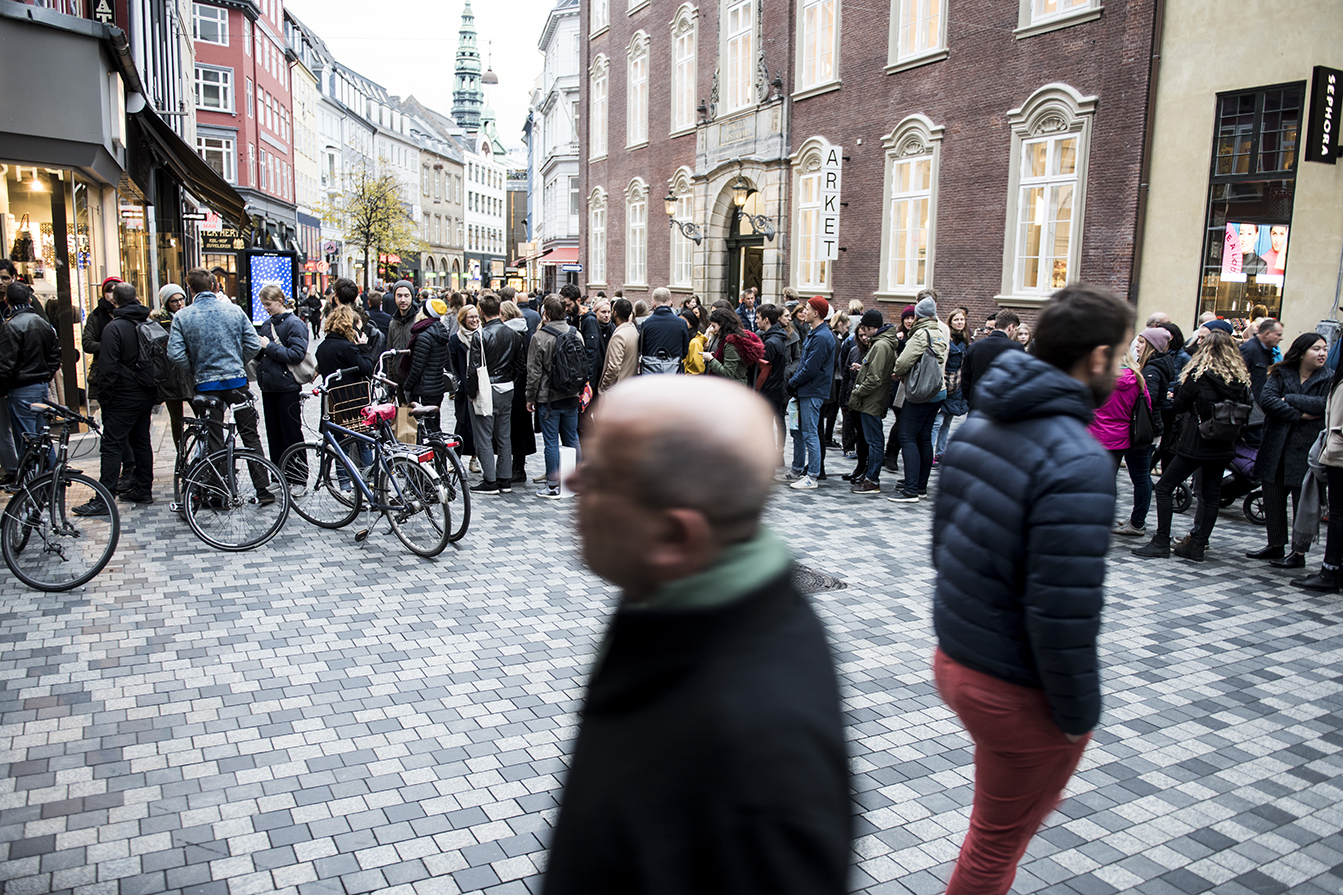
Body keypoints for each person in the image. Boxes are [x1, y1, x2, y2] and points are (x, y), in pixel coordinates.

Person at [544, 375, 851, 895]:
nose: (572, 480)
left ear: (673, 535)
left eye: (602, 473)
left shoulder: (755, 769)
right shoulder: (671, 588)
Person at [933, 283, 1134, 895]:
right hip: (1015, 688)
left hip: (958, 659)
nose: (1122, 368)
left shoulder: (975, 426)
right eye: (1120, 355)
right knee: (995, 846)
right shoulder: (1078, 458)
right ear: (1095, 358)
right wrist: (1077, 716)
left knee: (993, 831)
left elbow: (943, 548)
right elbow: (1063, 613)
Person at [1132, 330, 1253, 562]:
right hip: (1224, 443)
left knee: (1165, 487)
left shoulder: (1200, 376)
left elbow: (1178, 405)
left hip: (1196, 442)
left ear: (1205, 350)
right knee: (1210, 495)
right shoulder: (1239, 381)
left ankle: (1161, 540)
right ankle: (1197, 544)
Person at [168, 268, 273, 502]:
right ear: (215, 286)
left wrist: (196, 367)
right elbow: (253, 344)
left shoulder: (183, 316)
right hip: (236, 381)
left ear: (191, 290)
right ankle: (263, 489)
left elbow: (174, 353)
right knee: (249, 434)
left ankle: (218, 492)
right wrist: (238, 361)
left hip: (206, 385)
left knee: (213, 438)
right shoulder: (234, 311)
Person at [1246, 333, 1332, 568]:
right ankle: (1275, 545)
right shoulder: (1281, 372)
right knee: (1272, 499)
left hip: (1305, 449)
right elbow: (1268, 400)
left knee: (1302, 503)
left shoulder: (1329, 378)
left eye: (1325, 349)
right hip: (1275, 445)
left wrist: (1290, 398)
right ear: (1302, 352)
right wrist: (1300, 414)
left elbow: (1324, 405)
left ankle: (1298, 553)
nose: (1322, 353)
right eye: (1316, 349)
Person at [76, 282, 158, 512]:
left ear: (115, 301)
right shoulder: (147, 322)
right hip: (145, 392)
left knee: (111, 445)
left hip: (122, 395)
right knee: (142, 441)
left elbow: (108, 366)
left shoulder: (115, 327)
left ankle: (104, 498)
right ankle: (143, 489)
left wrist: (105, 396)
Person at [1089, 328, 1159, 536]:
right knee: (1127, 478)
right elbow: (1147, 406)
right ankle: (1127, 520)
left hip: (1098, 436)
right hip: (1124, 436)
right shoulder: (1137, 379)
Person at [887, 296, 948, 503]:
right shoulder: (940, 332)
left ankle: (911, 489)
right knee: (924, 437)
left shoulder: (921, 334)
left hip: (921, 393)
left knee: (907, 436)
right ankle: (921, 486)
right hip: (938, 391)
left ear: (920, 316)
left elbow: (904, 360)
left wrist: (897, 373)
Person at [0, 282, 60, 483]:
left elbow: (6, 364)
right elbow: (55, 355)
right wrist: (45, 376)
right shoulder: (42, 323)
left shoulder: (11, 326)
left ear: (7, 301)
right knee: (42, 437)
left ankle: (34, 484)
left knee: (27, 440)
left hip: (21, 389)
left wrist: (3, 388)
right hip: (39, 387)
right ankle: (52, 476)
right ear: (29, 300)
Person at [527, 295, 583, 499]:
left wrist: (530, 397)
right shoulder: (575, 333)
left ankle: (552, 485)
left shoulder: (539, 337)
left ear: (546, 313)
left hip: (548, 397)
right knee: (573, 438)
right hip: (571, 394)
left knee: (551, 442)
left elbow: (533, 372)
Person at [468, 294, 524, 496]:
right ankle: (504, 479)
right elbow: (520, 365)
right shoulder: (513, 335)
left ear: (481, 311)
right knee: (503, 435)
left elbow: (473, 368)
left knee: (484, 435)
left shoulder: (480, 335)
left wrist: (471, 392)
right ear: (500, 310)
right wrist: (511, 381)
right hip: (507, 387)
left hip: (487, 387)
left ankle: (490, 481)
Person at [779, 297, 835, 490]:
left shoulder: (821, 337)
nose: (805, 312)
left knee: (811, 433)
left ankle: (812, 475)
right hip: (808, 389)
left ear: (816, 313)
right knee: (808, 432)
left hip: (812, 390)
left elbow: (810, 367)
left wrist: (793, 382)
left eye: (808, 309)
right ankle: (809, 472)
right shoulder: (817, 333)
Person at [256, 285, 311, 471]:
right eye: (263, 304)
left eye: (268, 304)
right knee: (274, 435)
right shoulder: (267, 323)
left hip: (287, 387)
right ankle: (278, 475)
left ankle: (298, 476)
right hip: (270, 386)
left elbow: (296, 354)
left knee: (291, 434)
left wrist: (268, 347)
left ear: (280, 301)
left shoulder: (294, 324)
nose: (266, 308)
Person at [847, 309, 895, 495]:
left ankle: (872, 480)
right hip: (872, 400)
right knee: (873, 440)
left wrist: (858, 391)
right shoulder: (882, 344)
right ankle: (870, 477)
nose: (863, 333)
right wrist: (862, 371)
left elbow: (875, 379)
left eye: (864, 329)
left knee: (874, 441)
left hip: (871, 401)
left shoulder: (880, 346)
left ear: (870, 327)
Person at [151, 285, 196, 450]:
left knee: (201, 415)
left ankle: (204, 453)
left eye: (181, 299)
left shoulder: (191, 315)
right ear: (166, 303)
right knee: (176, 420)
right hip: (171, 376)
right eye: (174, 301)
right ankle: (181, 454)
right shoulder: (158, 321)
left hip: (191, 375)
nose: (179, 303)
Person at [499, 301, 536, 483]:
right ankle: (518, 466)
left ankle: (518, 468)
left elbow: (518, 364)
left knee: (516, 428)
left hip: (515, 387)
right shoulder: (523, 330)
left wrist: (512, 381)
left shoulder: (511, 332)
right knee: (519, 427)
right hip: (520, 387)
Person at [930, 306, 971, 463]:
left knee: (947, 421)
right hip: (945, 383)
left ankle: (940, 452)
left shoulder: (967, 341)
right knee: (937, 421)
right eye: (956, 320)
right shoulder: (946, 338)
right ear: (951, 322)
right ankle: (930, 453)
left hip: (958, 385)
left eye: (962, 319)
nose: (959, 322)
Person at [959, 309, 1022, 408]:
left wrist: (971, 399)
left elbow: (965, 379)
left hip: (977, 404)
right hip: (1003, 407)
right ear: (1011, 327)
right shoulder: (1016, 348)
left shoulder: (975, 347)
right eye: (1015, 330)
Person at [446, 304, 480, 470]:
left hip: (479, 389)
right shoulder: (455, 339)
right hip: (462, 389)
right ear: (463, 319)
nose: (474, 320)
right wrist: (457, 385)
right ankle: (455, 457)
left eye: (476, 316)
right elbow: (451, 363)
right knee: (461, 423)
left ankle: (474, 458)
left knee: (478, 425)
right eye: (470, 317)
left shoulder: (482, 336)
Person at [757, 304, 790, 469]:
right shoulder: (777, 337)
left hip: (770, 388)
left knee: (768, 425)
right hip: (776, 386)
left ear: (766, 319)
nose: (756, 321)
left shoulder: (771, 342)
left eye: (758, 318)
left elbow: (764, 369)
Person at [700, 307, 763, 384]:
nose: (713, 330)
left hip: (733, 388)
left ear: (721, 324)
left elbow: (728, 373)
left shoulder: (731, 343)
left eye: (714, 326)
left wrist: (711, 359)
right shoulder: (734, 338)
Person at [638, 287, 689, 374]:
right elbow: (685, 352)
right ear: (670, 303)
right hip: (674, 371)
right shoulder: (681, 323)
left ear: (653, 303)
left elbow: (641, 350)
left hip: (651, 372)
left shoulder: (646, 324)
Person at [599, 299, 639, 393]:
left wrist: (604, 386)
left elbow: (614, 367)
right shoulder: (634, 332)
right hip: (629, 387)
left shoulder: (619, 336)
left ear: (615, 313)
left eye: (612, 310)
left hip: (616, 390)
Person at [1240, 317, 1283, 404]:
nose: (1281, 338)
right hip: (1251, 405)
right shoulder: (1250, 350)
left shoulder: (1266, 350)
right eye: (1278, 335)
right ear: (1267, 334)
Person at [680, 310, 708, 374]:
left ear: (691, 323)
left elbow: (696, 370)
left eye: (683, 321)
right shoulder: (687, 338)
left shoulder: (694, 343)